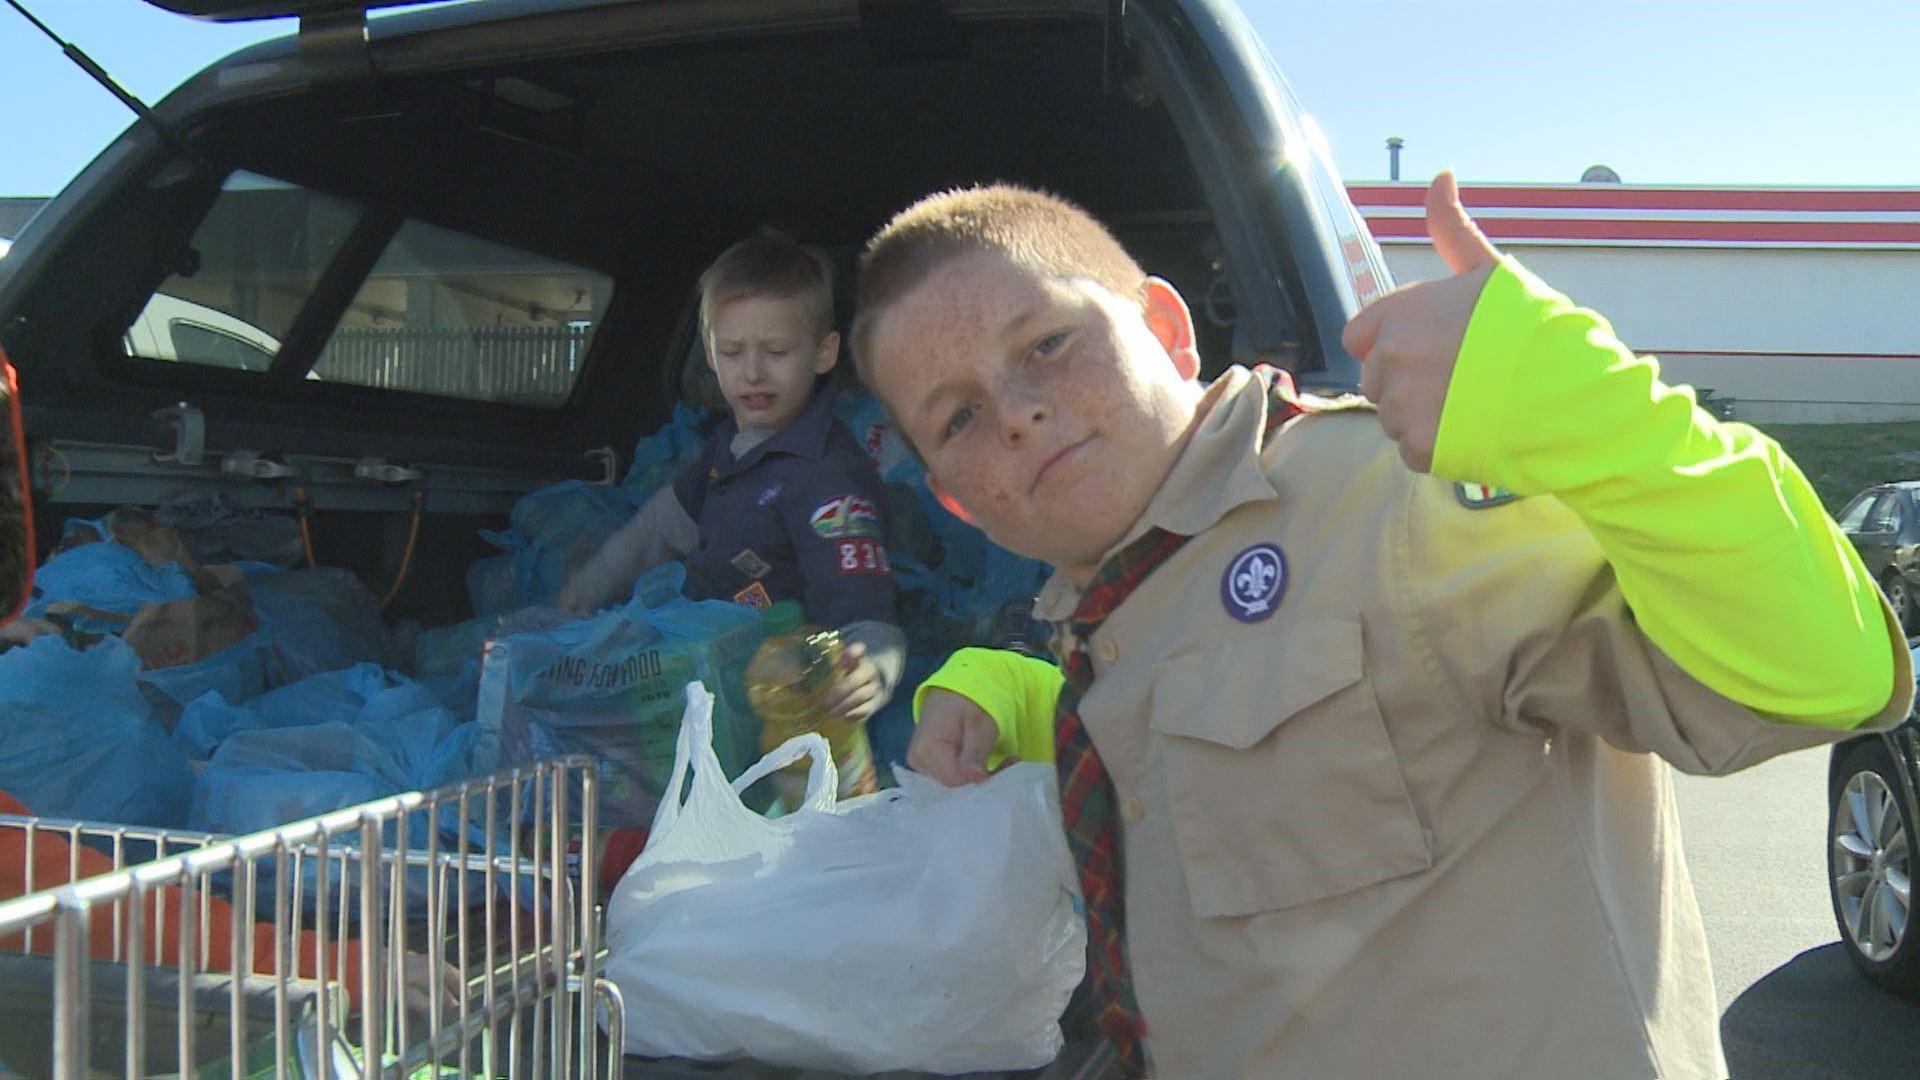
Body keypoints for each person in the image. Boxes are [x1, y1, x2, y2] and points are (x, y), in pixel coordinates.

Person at [851, 175, 1914, 1079]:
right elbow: (1216, 746)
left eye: (1047, 344)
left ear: (1169, 332)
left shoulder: (1394, 499)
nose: (1017, 412)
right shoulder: (1105, 619)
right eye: (958, 417)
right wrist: (1032, 697)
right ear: (952, 496)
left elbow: (1828, 672)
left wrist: (1582, 408)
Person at [560, 231, 905, 729]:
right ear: (710, 353)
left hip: (782, 698)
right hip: (707, 666)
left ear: (824, 353)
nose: (753, 373)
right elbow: (666, 521)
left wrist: (872, 668)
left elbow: (864, 608)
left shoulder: (829, 479)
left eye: (777, 351)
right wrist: (591, 585)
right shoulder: (730, 443)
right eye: (732, 352)